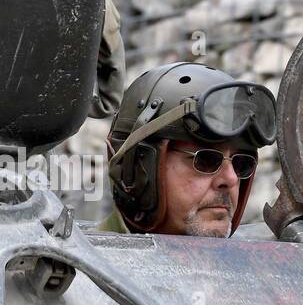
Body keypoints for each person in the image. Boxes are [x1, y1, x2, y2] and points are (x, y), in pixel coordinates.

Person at [96, 62, 276, 237]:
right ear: (135, 168)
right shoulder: (82, 265)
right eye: (206, 160)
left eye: (242, 164)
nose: (231, 179)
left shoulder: (261, 261)